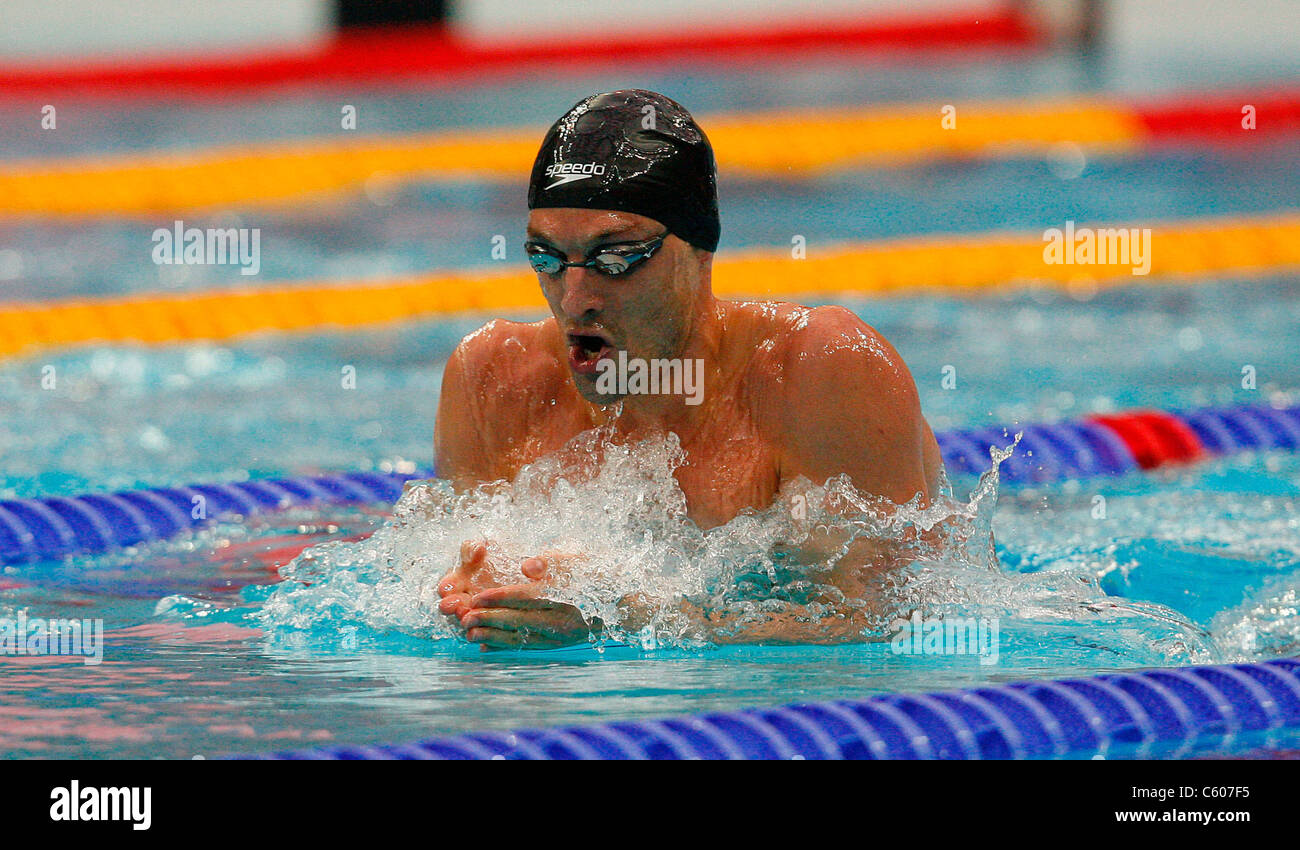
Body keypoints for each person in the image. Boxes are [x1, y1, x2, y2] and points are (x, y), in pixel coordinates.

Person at [435, 90, 943, 648]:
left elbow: (891, 626)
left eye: (615, 259)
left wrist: (629, 619)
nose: (574, 299)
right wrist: (473, 598)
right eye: (547, 258)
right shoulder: (491, 380)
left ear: (699, 249)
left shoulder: (821, 369)